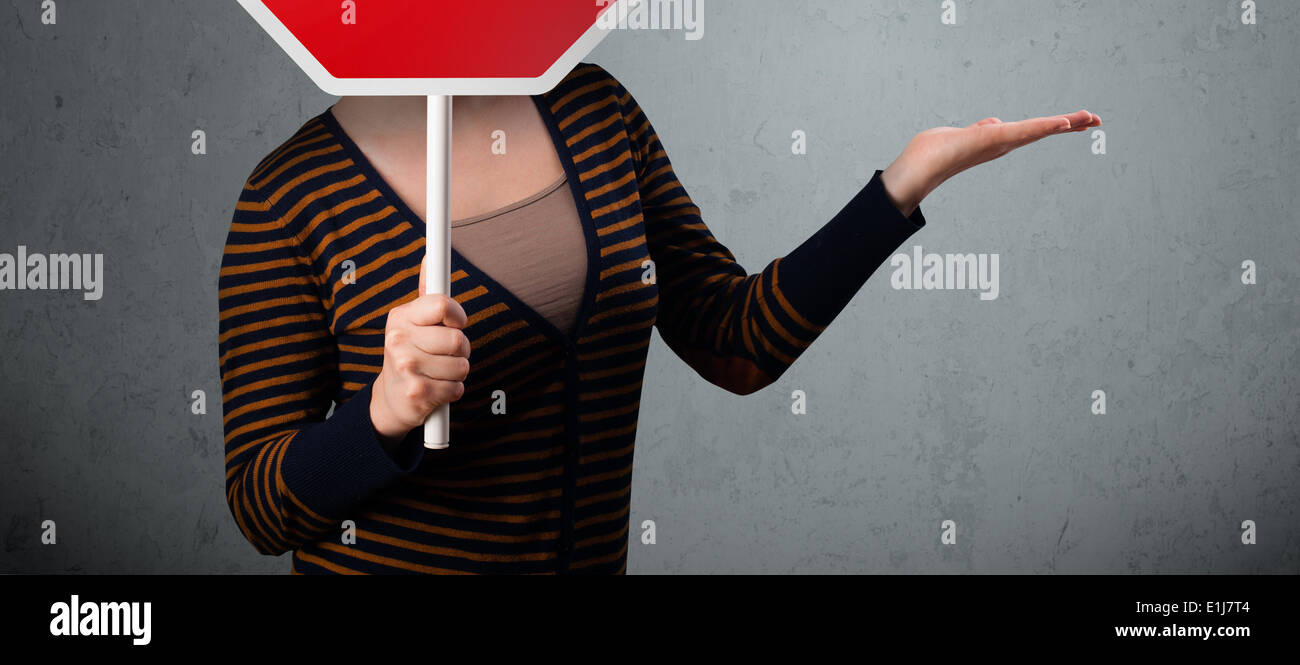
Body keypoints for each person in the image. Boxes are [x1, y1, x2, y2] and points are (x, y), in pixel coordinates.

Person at [217, 61, 1098, 573]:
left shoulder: (595, 109)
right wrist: (380, 417)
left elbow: (734, 339)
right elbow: (261, 508)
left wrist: (901, 185)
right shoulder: (290, 194)